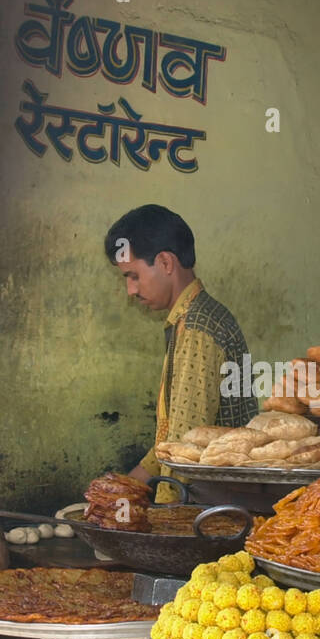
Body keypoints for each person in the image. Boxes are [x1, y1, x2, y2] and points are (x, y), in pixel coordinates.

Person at [104, 204, 258, 499]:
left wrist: (164, 519)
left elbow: (183, 456)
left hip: (208, 509)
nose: (130, 290)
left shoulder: (198, 329)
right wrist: (123, 488)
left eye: (133, 275)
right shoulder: (195, 318)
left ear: (164, 262)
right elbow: (173, 438)